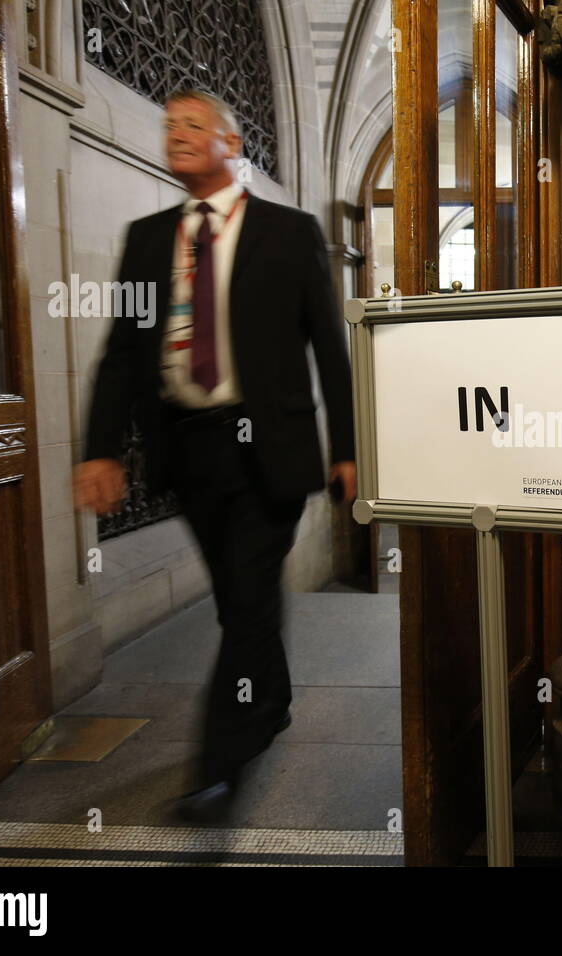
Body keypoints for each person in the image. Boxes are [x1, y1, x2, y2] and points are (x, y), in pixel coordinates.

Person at [73, 88, 357, 823]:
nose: (178, 134)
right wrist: (100, 450)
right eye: (170, 126)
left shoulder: (289, 233)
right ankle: (273, 696)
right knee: (241, 601)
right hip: (189, 451)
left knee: (250, 599)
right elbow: (120, 356)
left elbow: (331, 348)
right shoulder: (146, 239)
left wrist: (349, 451)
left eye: (194, 125)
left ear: (232, 144)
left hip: (272, 449)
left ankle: (221, 764)